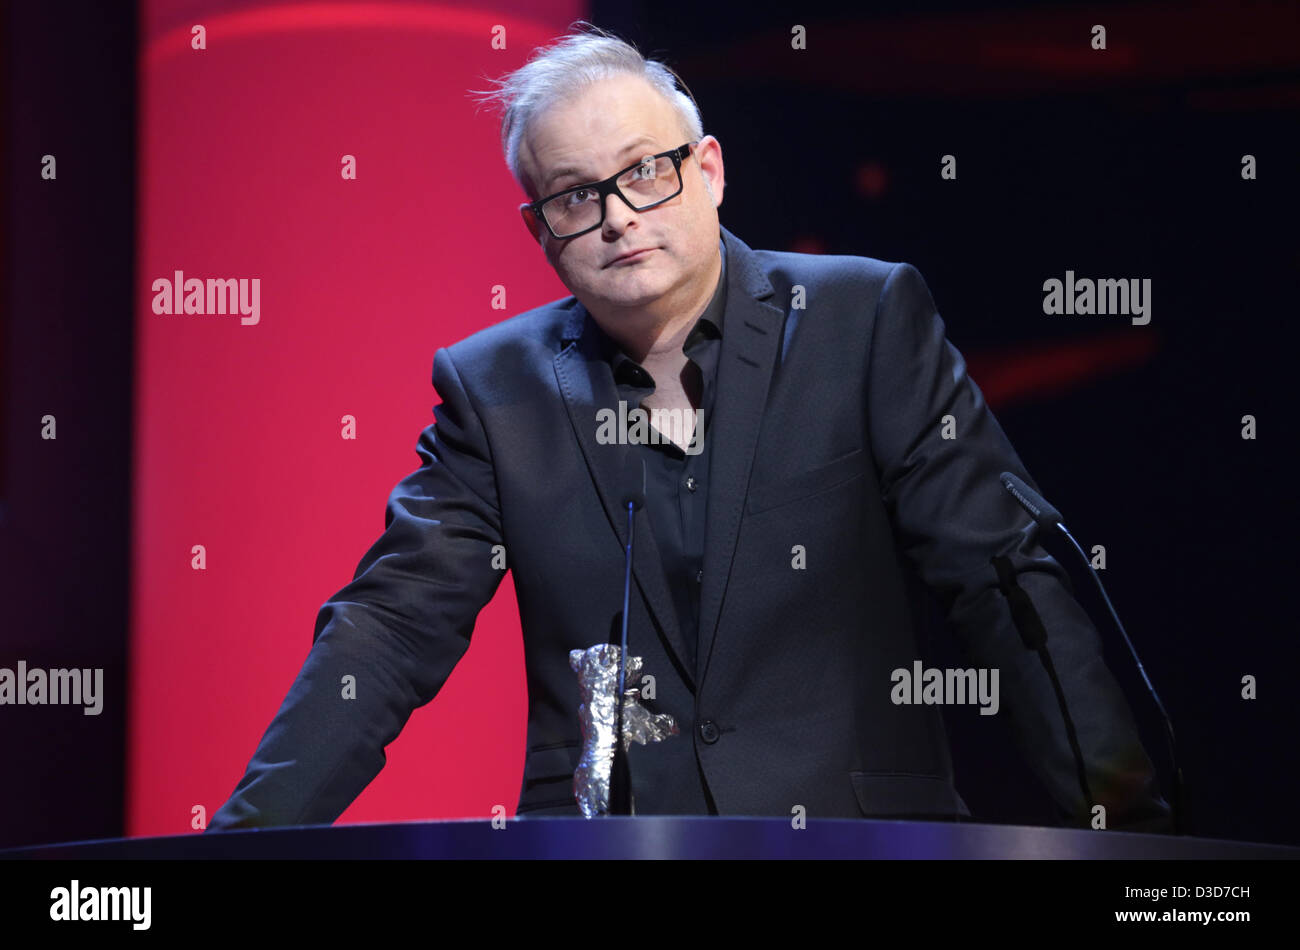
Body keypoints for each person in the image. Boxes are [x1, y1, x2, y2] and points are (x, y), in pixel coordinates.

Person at [208, 24, 1170, 831]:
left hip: (854, 849)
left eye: (646, 172)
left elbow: (1004, 583)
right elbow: (389, 627)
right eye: (577, 195)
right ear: (541, 233)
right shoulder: (493, 389)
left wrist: (1132, 838)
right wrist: (240, 848)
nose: (620, 217)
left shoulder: (860, 321)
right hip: (611, 855)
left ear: (708, 170)